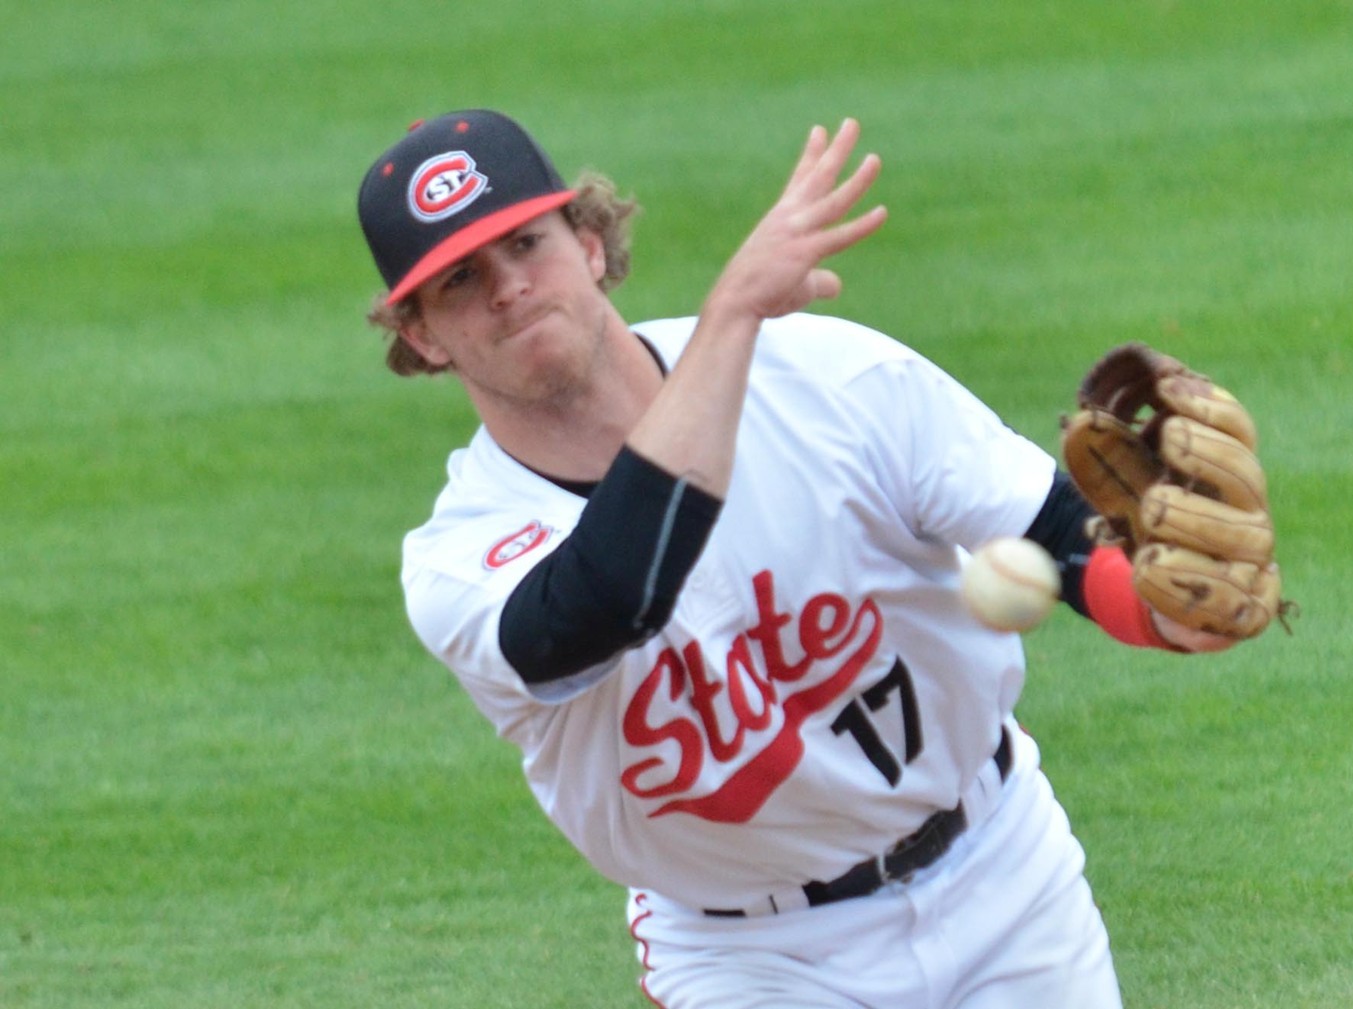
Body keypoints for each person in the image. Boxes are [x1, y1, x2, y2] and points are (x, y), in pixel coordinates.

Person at [356, 108, 1236, 1009]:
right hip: (752, 957)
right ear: (420, 335)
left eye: (525, 244)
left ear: (587, 243)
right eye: (460, 279)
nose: (508, 287)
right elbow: (612, 598)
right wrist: (732, 316)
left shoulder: (828, 377)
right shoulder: (462, 559)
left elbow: (1053, 529)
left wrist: (1161, 613)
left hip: (1005, 876)